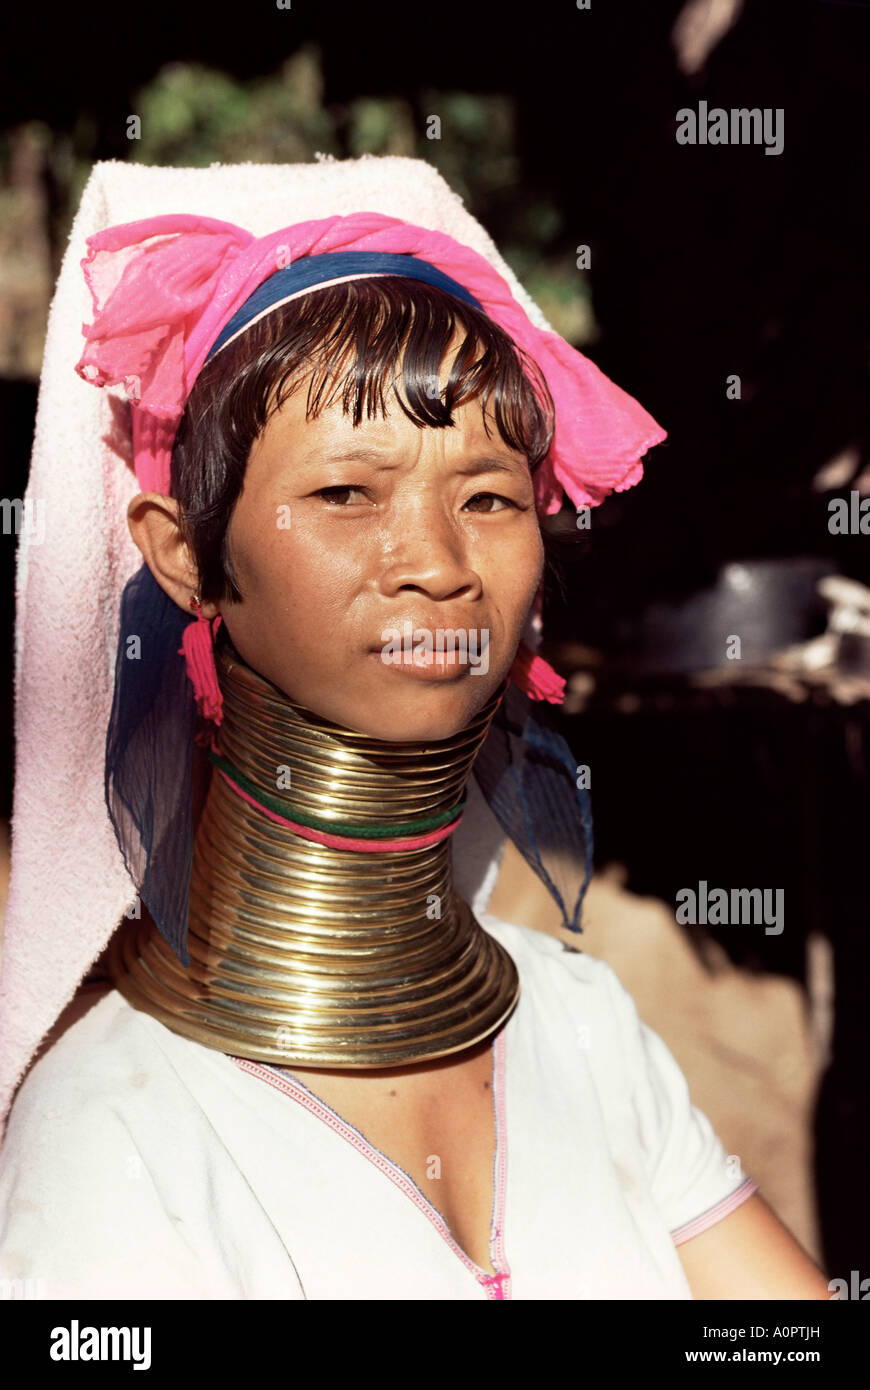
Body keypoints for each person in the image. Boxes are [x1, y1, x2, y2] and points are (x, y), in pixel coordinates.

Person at [0, 157, 834, 1300]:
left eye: (489, 497)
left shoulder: (578, 1023)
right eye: (347, 494)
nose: (441, 566)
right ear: (188, 556)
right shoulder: (117, 1134)